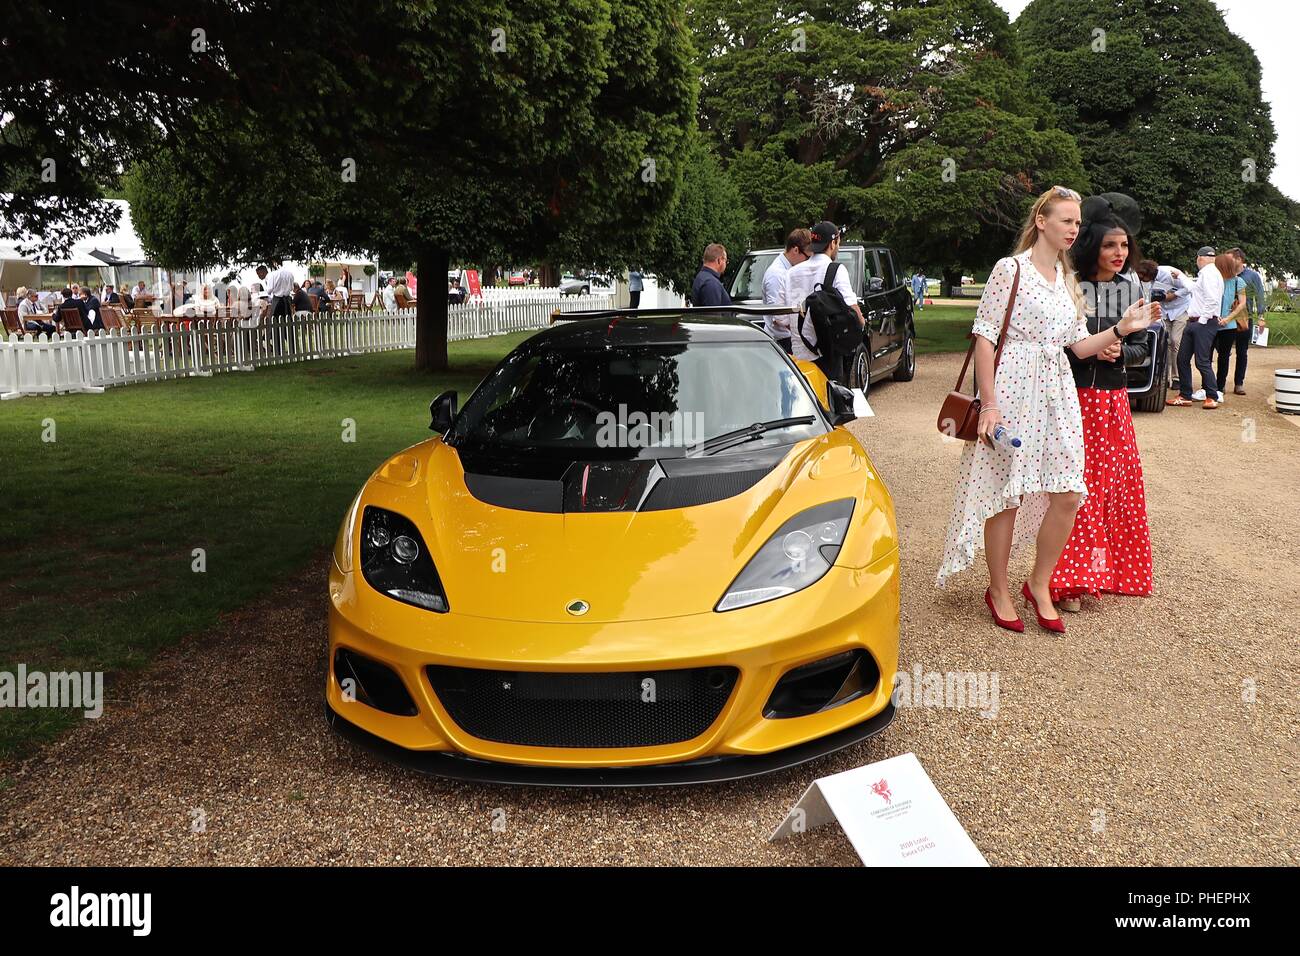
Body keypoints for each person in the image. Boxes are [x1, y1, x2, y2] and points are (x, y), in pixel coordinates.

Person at [935, 185, 1157, 635]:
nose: (1074, 229)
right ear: (1042, 221)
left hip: (1058, 392)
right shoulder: (1009, 269)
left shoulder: (1067, 279)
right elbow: (985, 338)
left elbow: (1077, 346)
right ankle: (997, 589)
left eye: (1077, 222)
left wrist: (1120, 327)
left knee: (1069, 493)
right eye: (1066, 220)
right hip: (1013, 388)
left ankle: (1039, 583)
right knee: (1007, 493)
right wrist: (990, 404)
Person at [1050, 197, 1154, 613]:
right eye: (1111, 245)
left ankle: (1106, 573)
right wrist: (1095, 349)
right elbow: (1056, 343)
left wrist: (1119, 353)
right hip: (1075, 397)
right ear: (1094, 245)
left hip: (1112, 401)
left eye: (1125, 246)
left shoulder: (1131, 287)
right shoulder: (1069, 284)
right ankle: (1069, 580)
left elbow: (1143, 349)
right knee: (1078, 488)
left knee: (1112, 489)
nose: (1119, 254)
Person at [785, 221, 864, 382]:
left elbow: (788, 314)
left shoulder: (791, 273)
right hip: (827, 355)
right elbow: (853, 310)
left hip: (798, 355)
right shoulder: (836, 270)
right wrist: (861, 322)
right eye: (838, 243)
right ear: (833, 243)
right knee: (830, 402)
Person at [1167, 247, 1228, 409]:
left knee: (1202, 361)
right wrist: (1180, 276)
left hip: (1203, 322)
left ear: (1199, 258)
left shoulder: (1209, 273)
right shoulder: (1208, 274)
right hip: (1194, 321)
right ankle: (1186, 394)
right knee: (1182, 358)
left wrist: (1202, 320)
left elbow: (1212, 299)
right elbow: (1194, 289)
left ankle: (1212, 395)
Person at [1134, 258, 1193, 389]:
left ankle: (1176, 377)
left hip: (1180, 309)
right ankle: (1163, 376)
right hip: (1164, 311)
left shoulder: (1168, 273)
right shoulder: (1148, 281)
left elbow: (1188, 288)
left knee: (1175, 341)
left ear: (1148, 272)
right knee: (1164, 343)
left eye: (1142, 276)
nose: (1141, 279)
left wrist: (1174, 295)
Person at [1221, 248, 1264, 395]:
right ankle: (1220, 383)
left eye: (1230, 258)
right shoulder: (1224, 275)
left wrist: (1261, 317)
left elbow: (1259, 296)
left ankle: (1239, 383)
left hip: (1244, 318)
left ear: (1239, 259)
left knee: (1242, 352)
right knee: (1223, 352)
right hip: (1224, 318)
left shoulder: (1252, 276)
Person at [762, 229, 811, 354]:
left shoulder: (790, 271)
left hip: (789, 338)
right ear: (795, 250)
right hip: (781, 342)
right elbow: (777, 315)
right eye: (807, 257)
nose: (808, 262)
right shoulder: (776, 275)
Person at [1211, 254, 1248, 399]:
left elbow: (1242, 303)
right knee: (1206, 357)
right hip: (1211, 322)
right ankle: (1207, 385)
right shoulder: (1214, 280)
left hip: (1229, 325)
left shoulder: (1239, 281)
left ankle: (1220, 387)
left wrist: (1228, 319)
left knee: (1224, 357)